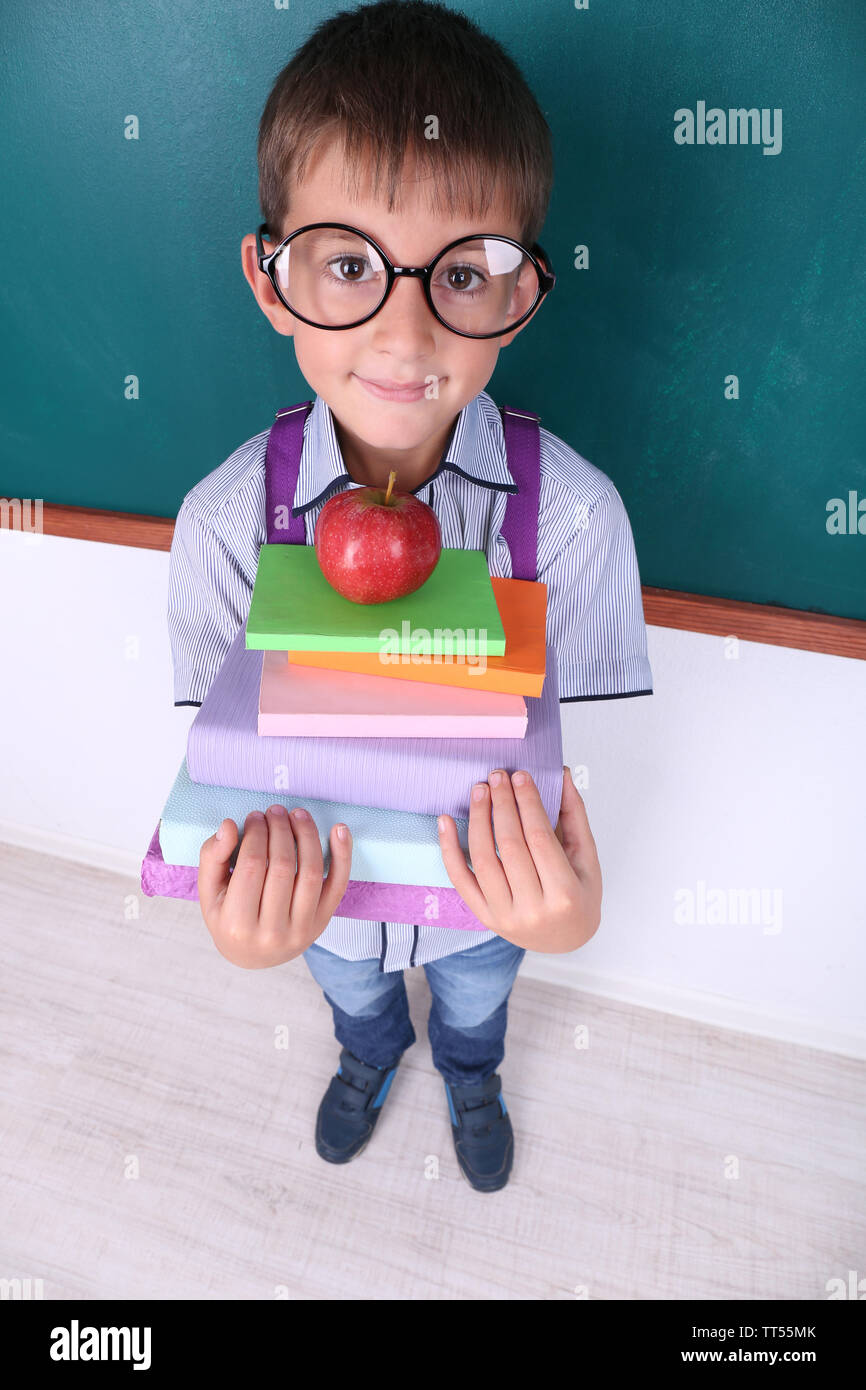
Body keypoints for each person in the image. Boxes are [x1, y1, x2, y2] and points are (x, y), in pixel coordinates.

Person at [167, 0, 653, 1193]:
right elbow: (219, 769)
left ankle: (471, 1070)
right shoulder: (225, 527)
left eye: (460, 274)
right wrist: (232, 923)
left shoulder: (574, 519)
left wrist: (566, 919)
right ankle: (368, 1052)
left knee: (476, 998)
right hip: (327, 911)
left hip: (484, 909)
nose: (401, 330)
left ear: (521, 292)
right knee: (354, 996)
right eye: (345, 264)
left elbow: (567, 768)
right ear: (270, 281)